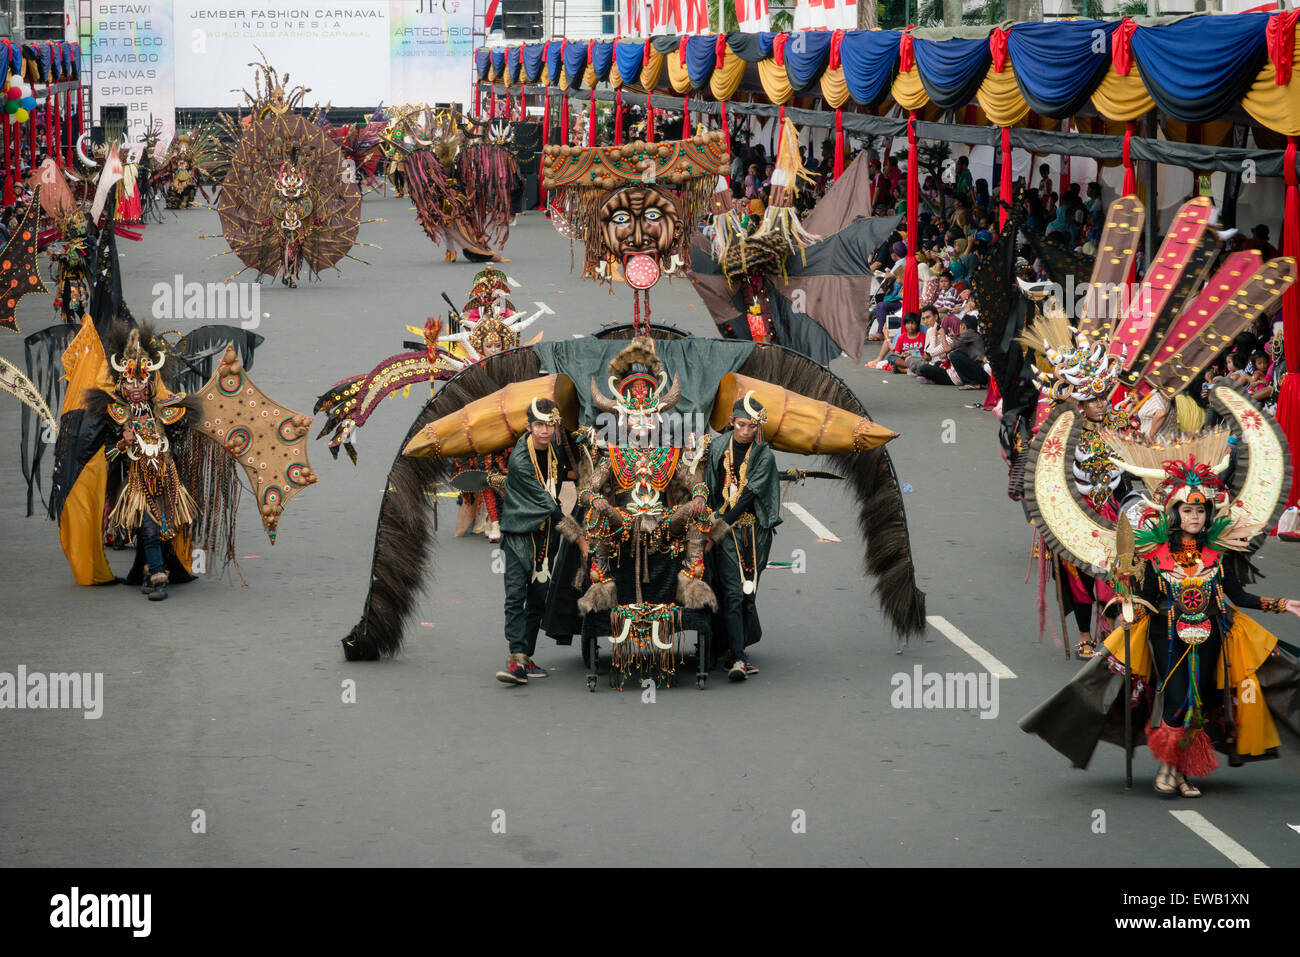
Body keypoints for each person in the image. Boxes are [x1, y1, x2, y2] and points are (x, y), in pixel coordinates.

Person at [1021, 437, 1300, 797]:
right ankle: (1168, 770)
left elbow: (1237, 595)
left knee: (1200, 702)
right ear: (1175, 513)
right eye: (1187, 511)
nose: (1195, 518)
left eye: (1200, 512)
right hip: (1165, 635)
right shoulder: (1155, 554)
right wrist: (1124, 610)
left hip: (1212, 634)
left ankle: (1180, 771)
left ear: (1208, 514)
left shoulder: (1220, 553)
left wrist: (1281, 604)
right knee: (1176, 699)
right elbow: (1146, 599)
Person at [495, 397, 582, 686]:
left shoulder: (555, 450)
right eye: (539, 425)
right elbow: (549, 503)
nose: (544, 431)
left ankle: (526, 657)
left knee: (537, 600)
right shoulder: (521, 460)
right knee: (515, 596)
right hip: (520, 537)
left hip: (545, 539)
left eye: (550, 425)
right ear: (529, 426)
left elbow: (561, 481)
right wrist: (578, 537)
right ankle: (515, 658)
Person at [707, 393, 781, 681]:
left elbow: (746, 498)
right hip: (725, 537)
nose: (746, 431)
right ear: (731, 423)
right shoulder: (716, 448)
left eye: (751, 426)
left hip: (753, 533)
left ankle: (736, 648)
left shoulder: (764, 456)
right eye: (741, 425)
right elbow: (708, 489)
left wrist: (718, 529)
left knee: (749, 594)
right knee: (733, 594)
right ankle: (737, 659)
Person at [915, 316, 988, 388]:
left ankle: (971, 383)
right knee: (937, 364)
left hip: (975, 371)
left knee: (953, 355)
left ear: (963, 326)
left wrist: (939, 335)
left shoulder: (968, 333)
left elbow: (935, 352)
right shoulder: (972, 335)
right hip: (974, 370)